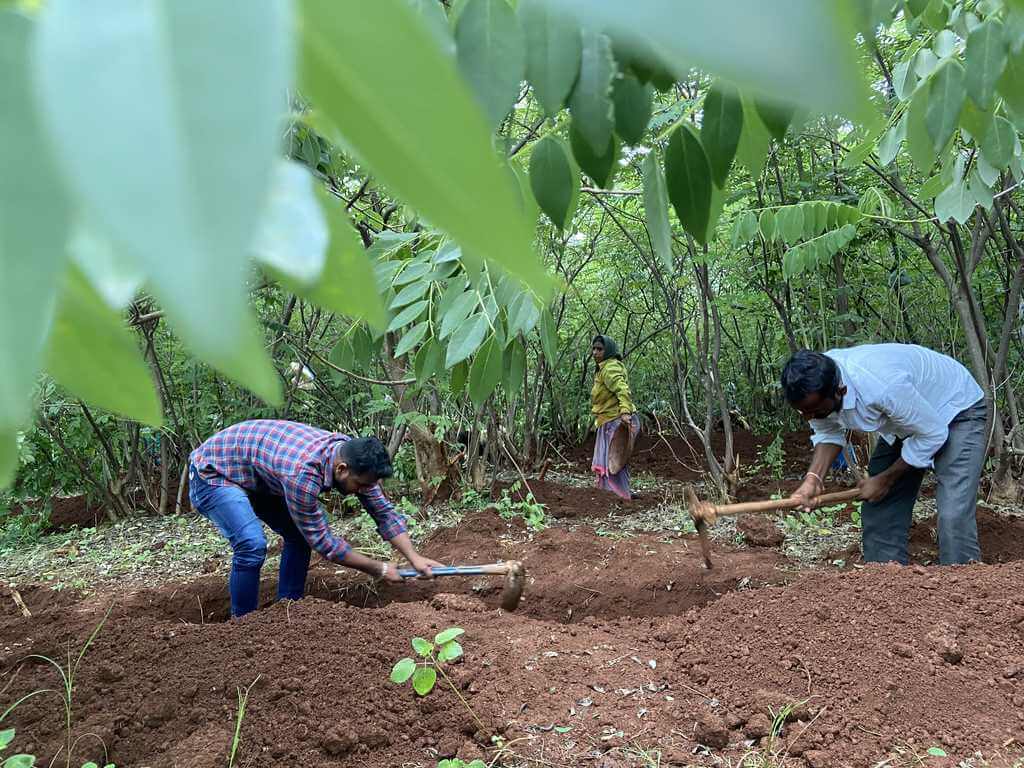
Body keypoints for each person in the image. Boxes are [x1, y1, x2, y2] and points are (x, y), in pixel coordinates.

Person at [188, 420, 443, 617]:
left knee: (298, 537)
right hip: (213, 472)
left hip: (259, 475)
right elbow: (323, 542)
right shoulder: (302, 474)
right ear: (342, 469)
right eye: (361, 485)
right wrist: (379, 568)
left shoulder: (355, 460)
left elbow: (383, 513)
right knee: (251, 545)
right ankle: (243, 624)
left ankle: (289, 610)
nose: (365, 491)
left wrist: (414, 557)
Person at [781, 344, 987, 565]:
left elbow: (933, 434)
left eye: (815, 411)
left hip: (957, 408)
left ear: (840, 390)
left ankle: (964, 585)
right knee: (879, 507)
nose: (809, 417)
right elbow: (827, 431)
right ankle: (886, 584)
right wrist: (813, 479)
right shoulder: (812, 386)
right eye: (803, 412)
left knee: (953, 512)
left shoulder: (882, 386)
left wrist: (886, 479)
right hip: (908, 418)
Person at [590, 335, 640, 500]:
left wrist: (625, 412)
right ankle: (611, 496)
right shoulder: (603, 368)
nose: (595, 352)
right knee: (610, 461)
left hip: (617, 420)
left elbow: (622, 390)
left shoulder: (610, 368)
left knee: (615, 463)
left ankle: (618, 496)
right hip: (608, 420)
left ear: (608, 351)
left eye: (600, 349)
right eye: (594, 348)